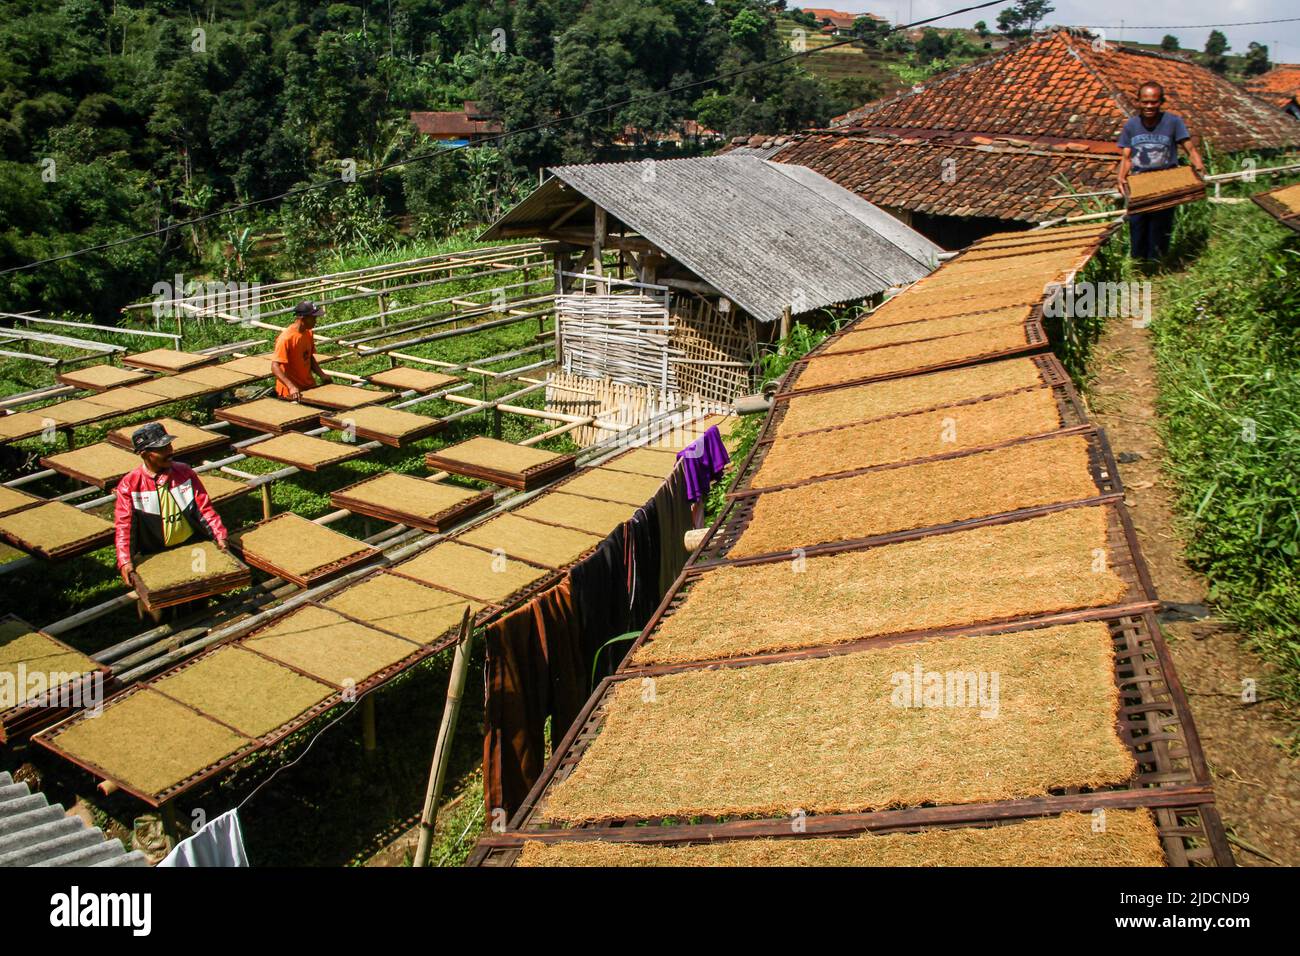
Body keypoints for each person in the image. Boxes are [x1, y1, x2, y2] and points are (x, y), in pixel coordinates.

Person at [114, 422, 228, 587]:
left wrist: (220, 535)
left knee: (200, 590)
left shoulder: (184, 472)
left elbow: (204, 507)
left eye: (169, 445)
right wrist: (125, 560)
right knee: (160, 601)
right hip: (155, 552)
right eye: (161, 449)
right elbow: (124, 526)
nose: (169, 452)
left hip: (192, 544)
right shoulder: (130, 485)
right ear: (145, 454)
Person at [1116, 81, 1205, 262]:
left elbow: (1190, 149)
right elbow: (1126, 157)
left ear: (1161, 101)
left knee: (1161, 223)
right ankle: (1138, 262)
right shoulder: (1132, 126)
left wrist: (1199, 168)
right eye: (1145, 102)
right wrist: (1120, 178)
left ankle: (1158, 263)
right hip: (1140, 181)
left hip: (1166, 181)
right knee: (1137, 223)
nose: (1149, 106)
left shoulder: (1173, 122)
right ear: (1138, 102)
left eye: (1154, 102)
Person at [272, 300, 329, 400]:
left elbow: (309, 357)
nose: (315, 321)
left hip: (308, 386)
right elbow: (275, 366)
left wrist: (322, 375)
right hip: (291, 392)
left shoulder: (308, 333)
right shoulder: (286, 339)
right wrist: (291, 386)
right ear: (303, 317)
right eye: (313, 318)